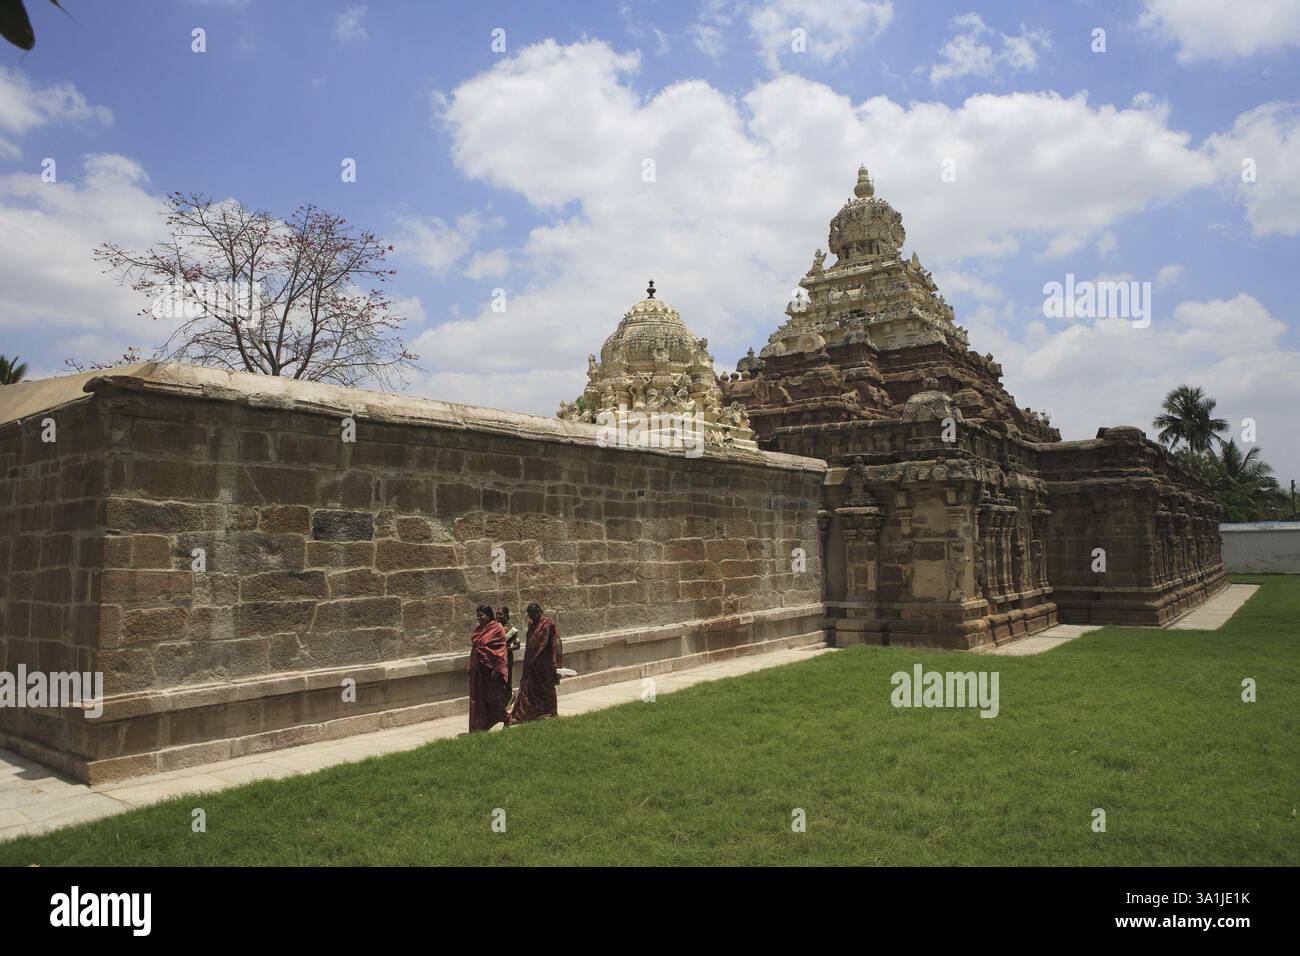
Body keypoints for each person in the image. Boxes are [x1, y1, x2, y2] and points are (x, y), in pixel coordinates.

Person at [508, 603, 563, 725]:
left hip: (545, 664)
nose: (532, 616)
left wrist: (555, 663)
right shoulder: (531, 625)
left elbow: (555, 644)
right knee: (528, 690)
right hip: (531, 664)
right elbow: (529, 645)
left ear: (540, 612)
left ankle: (551, 711)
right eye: (530, 614)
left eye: (534, 614)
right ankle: (523, 715)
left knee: (547, 689)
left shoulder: (548, 625)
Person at [467, 605, 508, 732]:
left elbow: (500, 650)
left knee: (492, 698)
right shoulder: (479, 629)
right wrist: (470, 664)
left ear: (489, 615)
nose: (478, 618)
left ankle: (506, 718)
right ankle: (479, 726)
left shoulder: (496, 629)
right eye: (477, 615)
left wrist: (497, 669)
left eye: (481, 615)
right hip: (478, 669)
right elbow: (475, 648)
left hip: (490, 669)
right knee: (478, 698)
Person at [496, 606, 521, 706]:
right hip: (497, 658)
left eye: (500, 614)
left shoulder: (512, 630)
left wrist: (506, 649)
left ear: (506, 616)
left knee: (506, 679)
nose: (498, 616)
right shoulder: (495, 628)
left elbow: (517, 645)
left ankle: (509, 699)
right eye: (497, 614)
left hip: (506, 658)